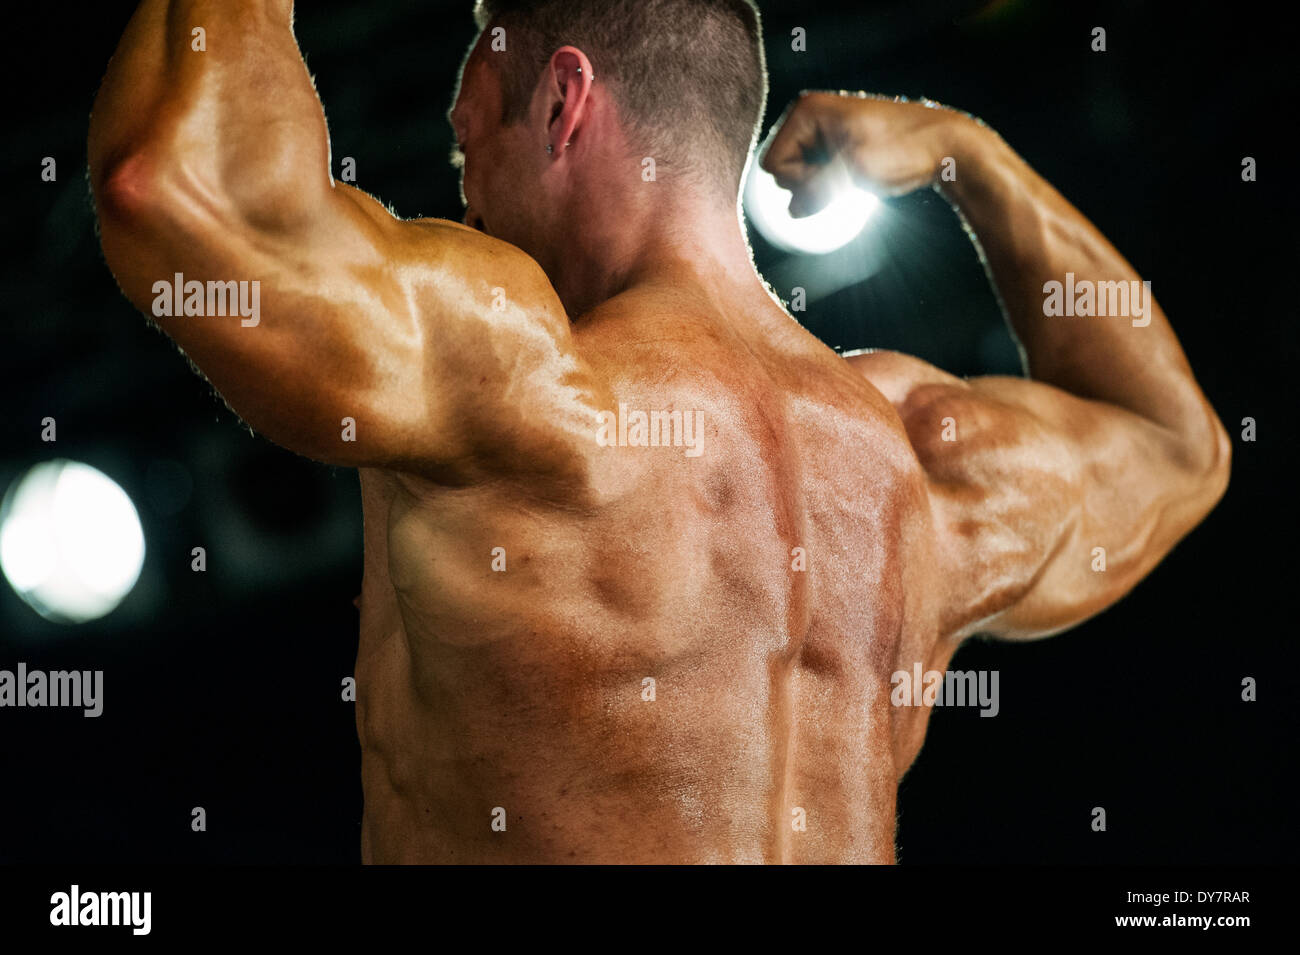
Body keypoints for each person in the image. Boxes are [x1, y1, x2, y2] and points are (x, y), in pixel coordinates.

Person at [88, 0, 1229, 863]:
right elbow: (1177, 446)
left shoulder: (534, 383)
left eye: (463, 144)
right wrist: (967, 155)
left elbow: (176, 190)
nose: (462, 187)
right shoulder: (913, 464)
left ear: (563, 102)